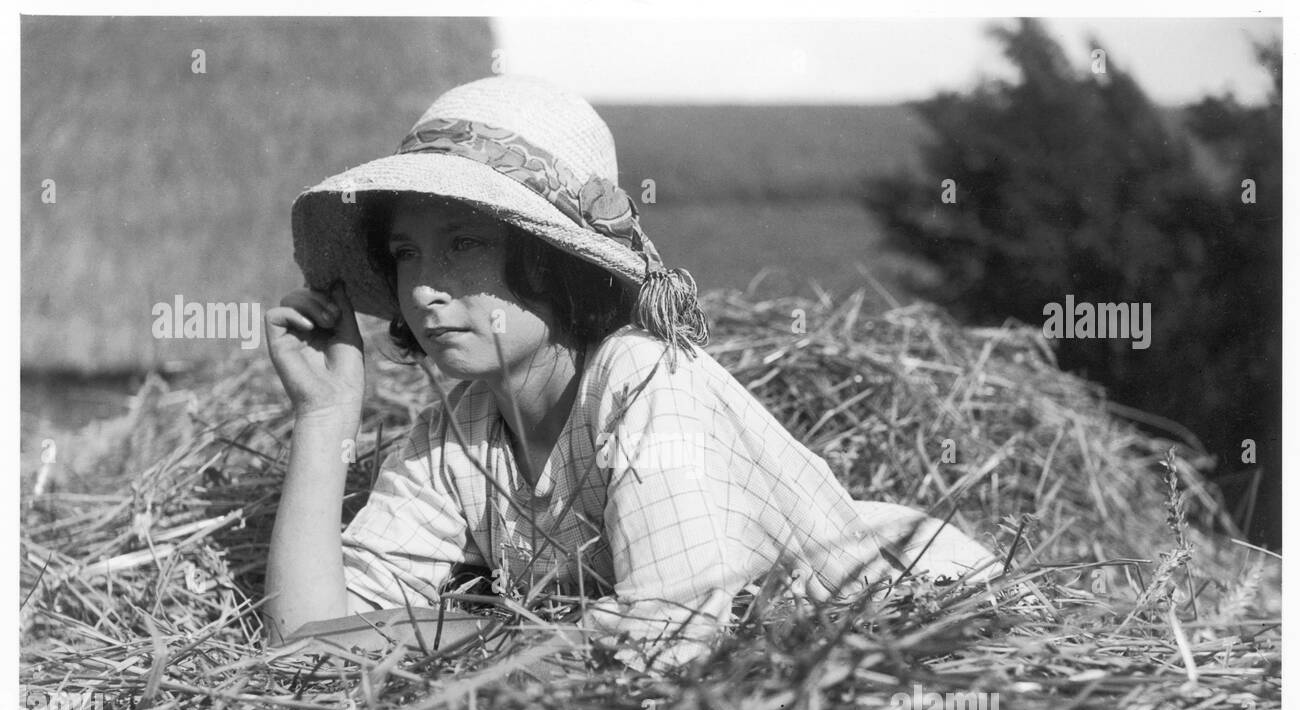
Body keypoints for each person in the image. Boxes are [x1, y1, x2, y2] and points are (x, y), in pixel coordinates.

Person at [264, 75, 995, 660]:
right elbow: (308, 644)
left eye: (461, 245)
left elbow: (667, 640)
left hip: (917, 617)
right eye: (405, 252)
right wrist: (324, 413)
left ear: (551, 258)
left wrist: (451, 638)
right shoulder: (456, 437)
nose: (423, 286)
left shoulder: (643, 381)